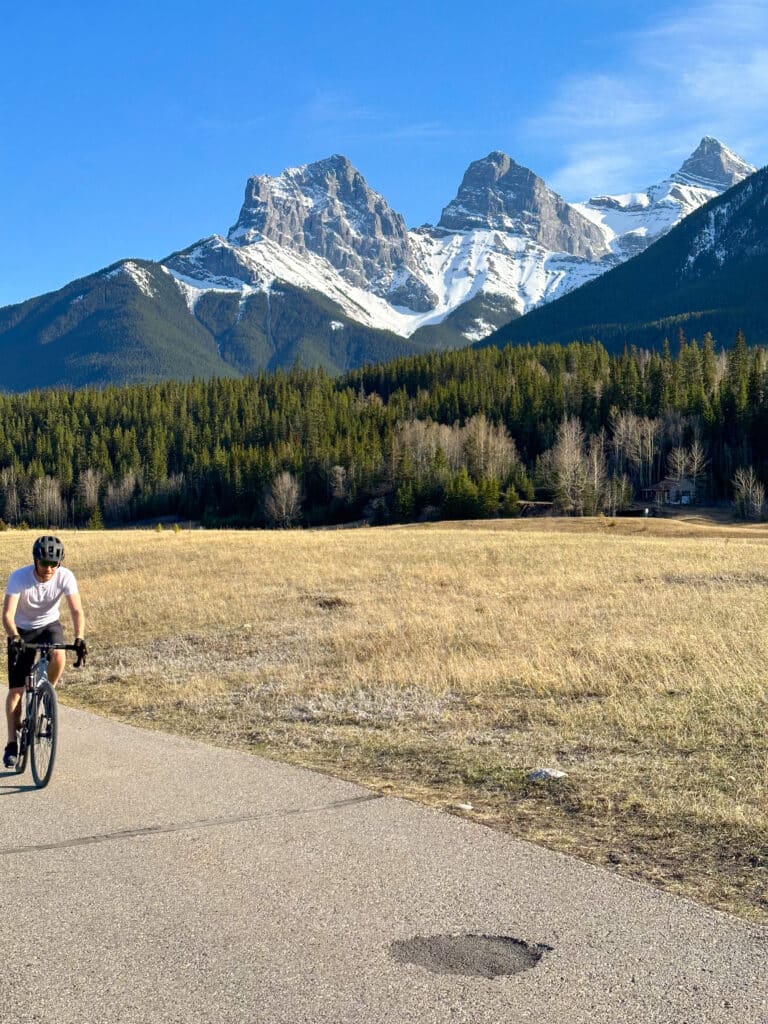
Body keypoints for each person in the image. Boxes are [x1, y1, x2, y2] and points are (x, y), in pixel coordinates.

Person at [3, 535, 86, 769]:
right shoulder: (19, 577)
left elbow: (76, 610)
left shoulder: (65, 576)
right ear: (35, 560)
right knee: (17, 690)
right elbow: (7, 615)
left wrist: (79, 638)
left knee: (60, 655)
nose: (49, 569)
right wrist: (14, 637)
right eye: (45, 563)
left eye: (54, 564)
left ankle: (48, 696)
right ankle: (11, 743)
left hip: (50, 626)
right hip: (22, 631)